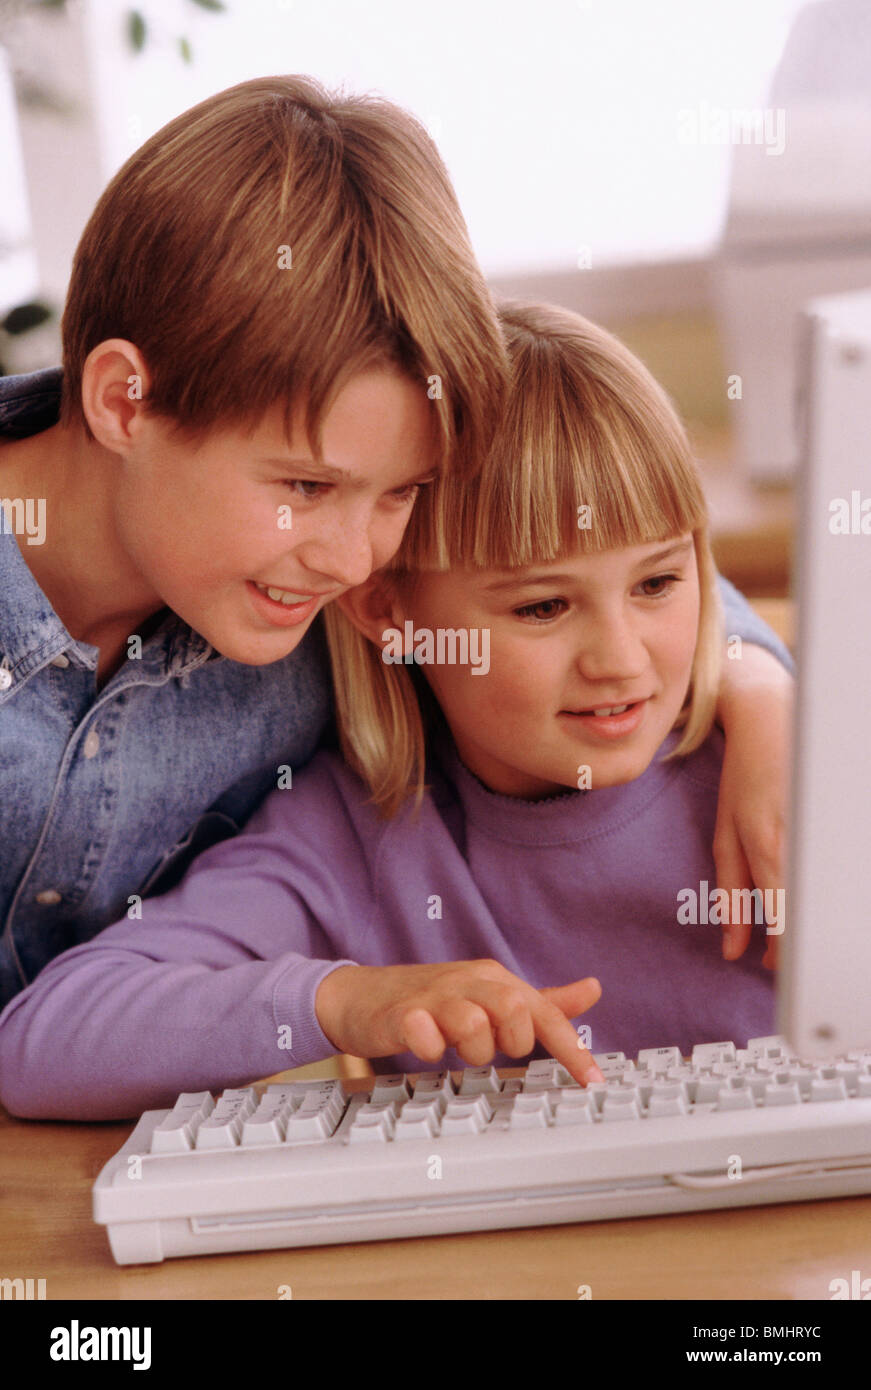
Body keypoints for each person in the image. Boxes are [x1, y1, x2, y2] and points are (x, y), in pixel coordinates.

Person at [0, 76, 791, 1021]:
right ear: (125, 401)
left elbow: (588, 579)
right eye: (306, 488)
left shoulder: (329, 598)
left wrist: (762, 692)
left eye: (402, 493)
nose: (354, 561)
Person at [0, 302, 792, 1120]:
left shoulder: (777, 779)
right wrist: (344, 1001)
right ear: (385, 610)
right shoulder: (356, 837)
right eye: (542, 609)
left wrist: (773, 701)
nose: (621, 659)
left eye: (657, 584)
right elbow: (40, 1043)